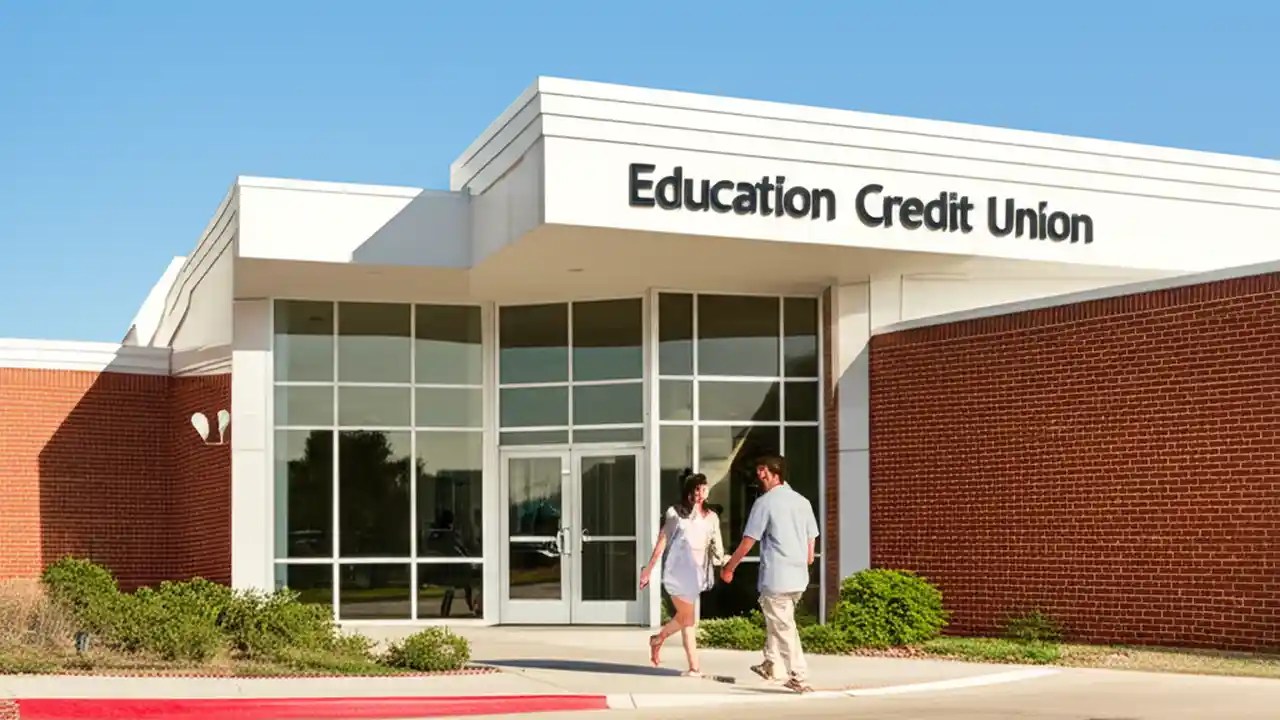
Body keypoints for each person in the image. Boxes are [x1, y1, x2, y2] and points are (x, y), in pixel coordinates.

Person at [720, 455, 818, 693]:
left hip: (778, 577)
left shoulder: (765, 503)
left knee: (784, 627)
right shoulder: (802, 501)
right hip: (798, 578)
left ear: (776, 473)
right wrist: (805, 560)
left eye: (763, 471)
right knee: (779, 621)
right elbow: (811, 540)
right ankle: (771, 663)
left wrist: (729, 567)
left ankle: (799, 676)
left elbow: (748, 541)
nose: (759, 475)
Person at [639, 470, 726, 676]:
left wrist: (723, 562)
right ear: (689, 492)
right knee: (688, 620)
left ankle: (658, 639)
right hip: (677, 572)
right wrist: (648, 570)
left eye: (704, 488)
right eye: (697, 488)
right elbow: (662, 541)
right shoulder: (675, 514)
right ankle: (694, 667)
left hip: (697, 573)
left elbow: (717, 545)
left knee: (685, 618)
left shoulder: (711, 517)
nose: (701, 492)